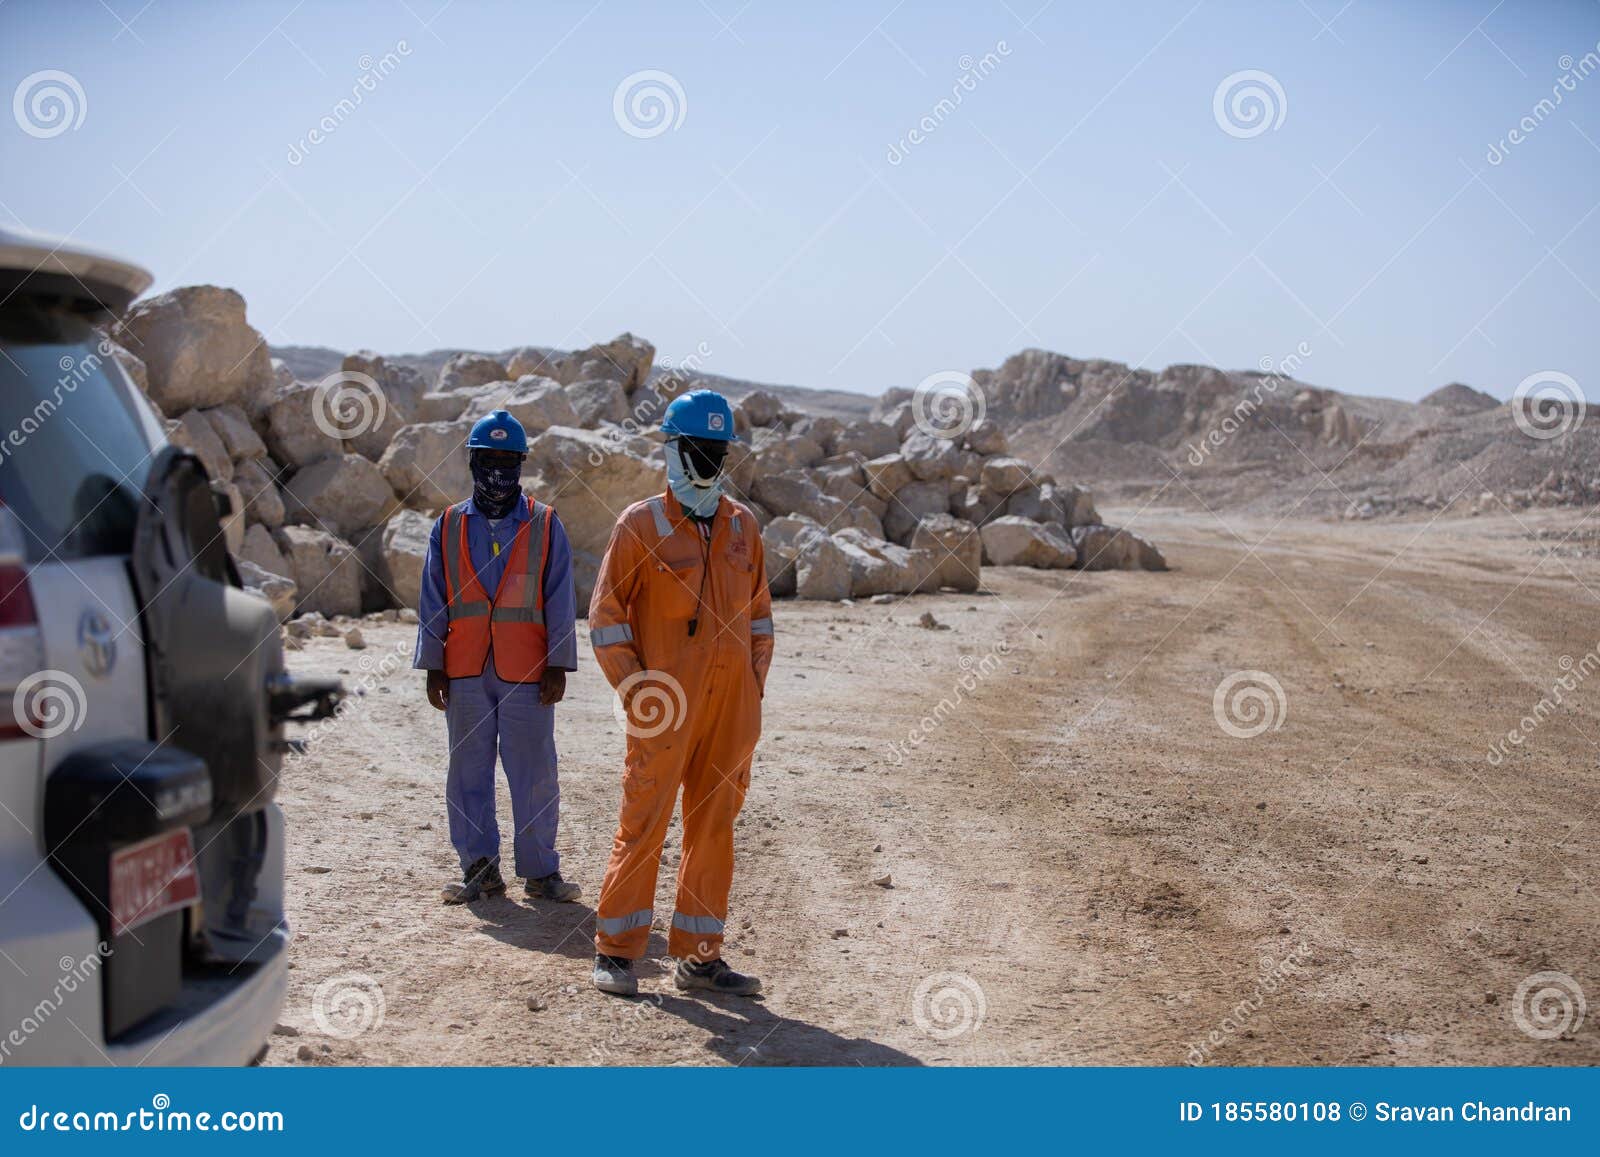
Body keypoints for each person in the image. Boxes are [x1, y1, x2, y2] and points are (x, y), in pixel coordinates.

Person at [587, 389, 774, 996]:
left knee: (714, 826)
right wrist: (636, 688)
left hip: (731, 708)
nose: (706, 461)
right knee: (644, 821)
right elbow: (606, 617)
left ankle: (699, 958)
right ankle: (616, 952)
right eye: (695, 449)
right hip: (663, 703)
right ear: (670, 450)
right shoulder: (639, 525)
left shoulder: (745, 527)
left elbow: (761, 619)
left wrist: (749, 691)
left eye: (716, 451)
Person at [412, 409, 581, 905]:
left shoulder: (546, 524)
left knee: (534, 772)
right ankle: (479, 868)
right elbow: (432, 597)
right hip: (464, 670)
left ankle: (540, 871)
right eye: (489, 460)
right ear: (473, 462)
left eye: (509, 461)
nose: (498, 471)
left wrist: (558, 663)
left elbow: (560, 597)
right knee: (467, 771)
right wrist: (433, 664)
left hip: (528, 671)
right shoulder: (446, 526)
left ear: (522, 464)